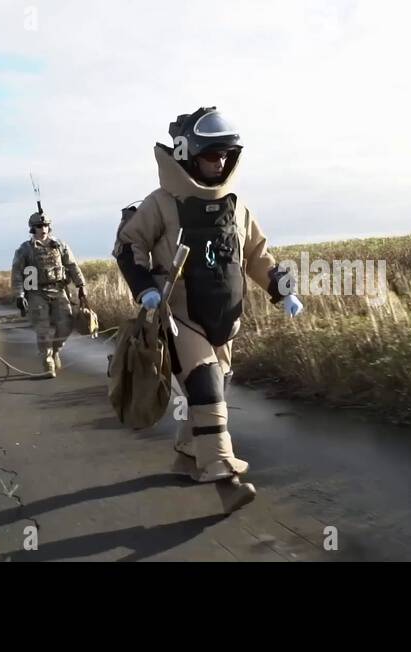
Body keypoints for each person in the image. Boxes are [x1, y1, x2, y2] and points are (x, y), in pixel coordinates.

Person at [114, 106, 303, 489]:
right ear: (185, 154)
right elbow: (128, 245)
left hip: (226, 318)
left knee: (216, 389)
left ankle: (187, 454)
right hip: (181, 314)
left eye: (224, 155)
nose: (219, 163)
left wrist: (284, 292)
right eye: (210, 155)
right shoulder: (162, 203)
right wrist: (146, 288)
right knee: (205, 385)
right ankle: (223, 474)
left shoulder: (238, 206)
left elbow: (257, 256)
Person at [11, 211, 87, 377]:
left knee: (66, 324)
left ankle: (55, 350)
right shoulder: (25, 249)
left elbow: (72, 266)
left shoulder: (60, 245)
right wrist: (19, 295)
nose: (43, 229)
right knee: (43, 329)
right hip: (37, 292)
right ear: (33, 229)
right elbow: (17, 273)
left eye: (45, 225)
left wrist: (81, 286)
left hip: (59, 290)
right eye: (39, 226)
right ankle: (47, 363)